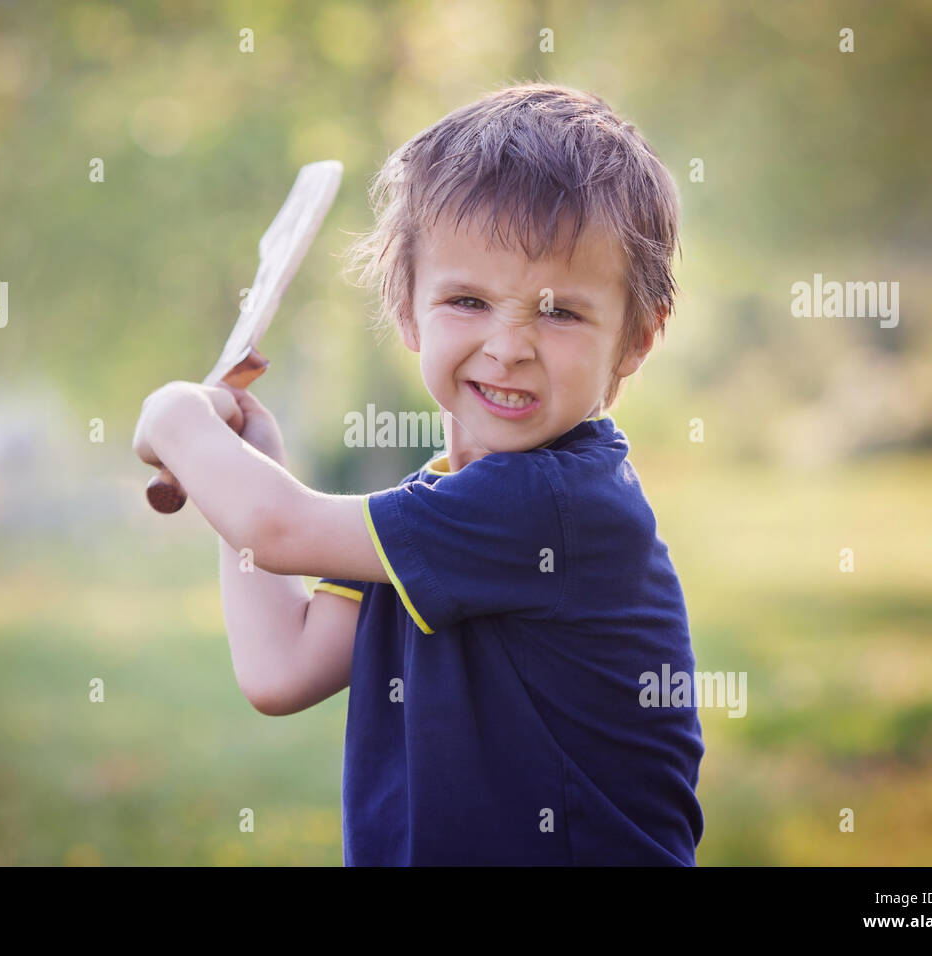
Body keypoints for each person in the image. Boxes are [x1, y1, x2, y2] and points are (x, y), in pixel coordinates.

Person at [134, 82, 704, 865]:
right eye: (468, 300)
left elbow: (277, 526)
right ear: (405, 305)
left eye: (559, 312)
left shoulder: (555, 504)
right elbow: (280, 666)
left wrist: (174, 415)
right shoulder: (430, 509)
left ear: (637, 338)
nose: (509, 346)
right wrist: (248, 463)